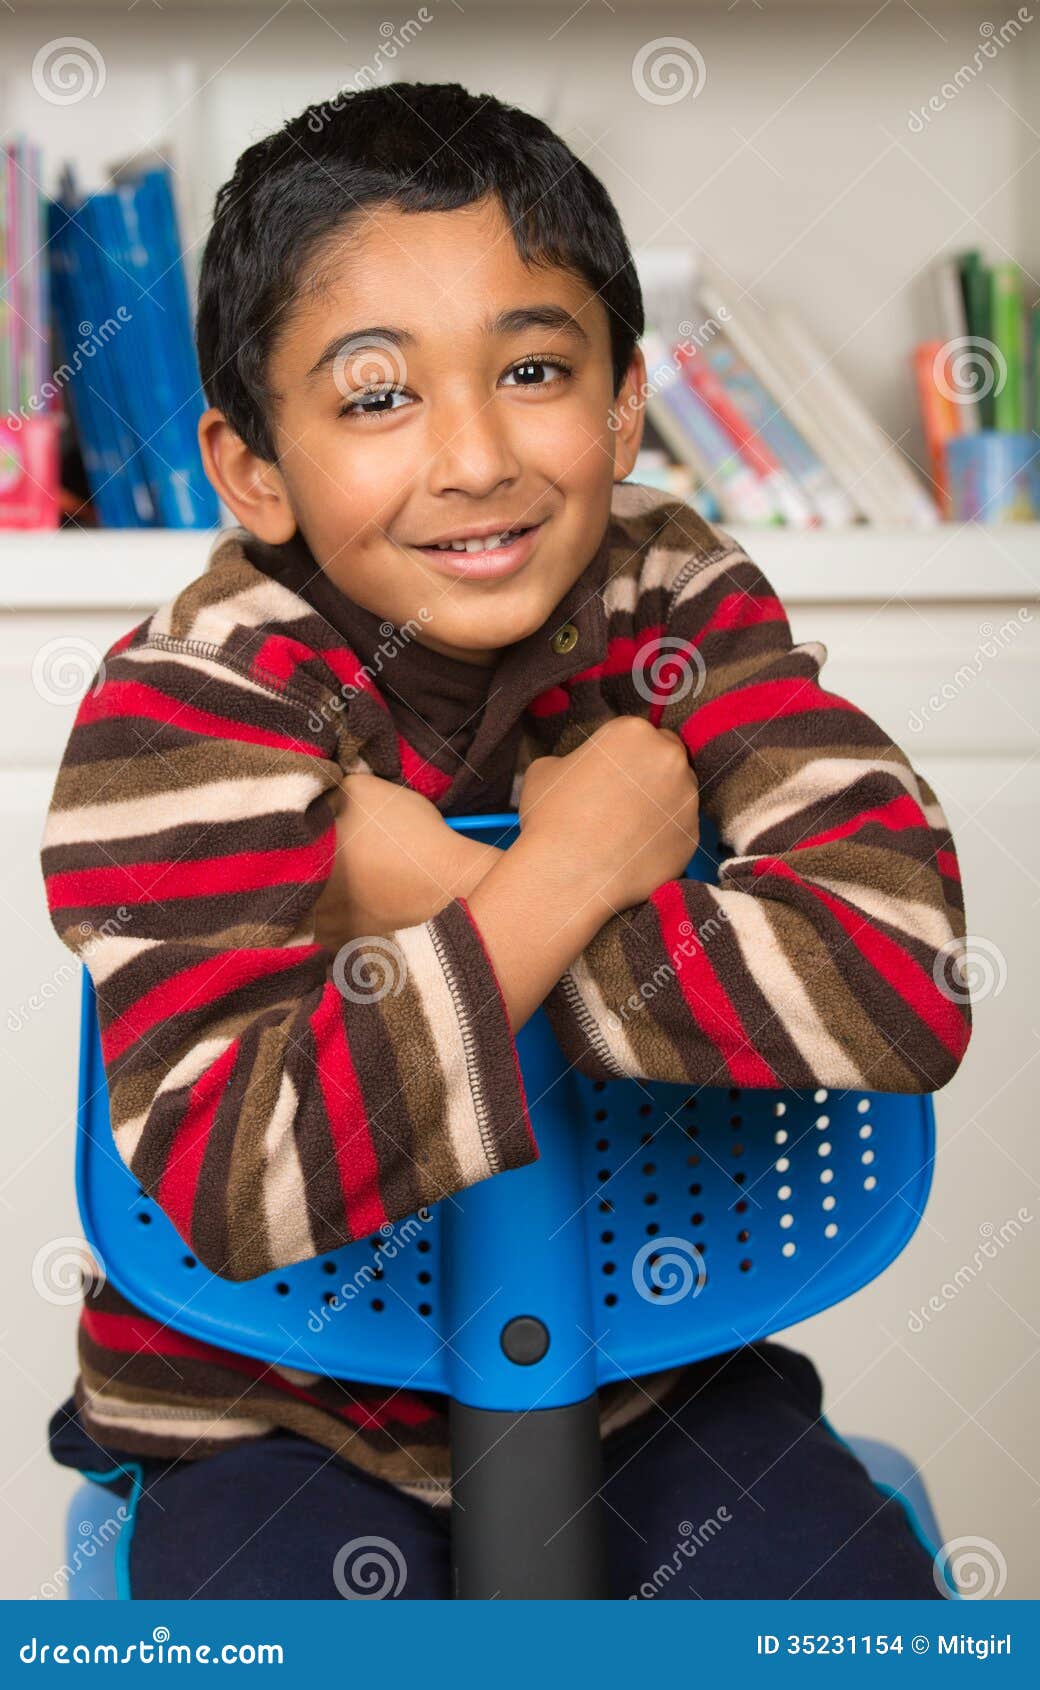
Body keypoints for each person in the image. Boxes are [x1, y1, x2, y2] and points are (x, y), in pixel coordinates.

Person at [41, 80, 971, 1600]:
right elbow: (232, 1178)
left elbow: (902, 976)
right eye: (376, 396)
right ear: (254, 466)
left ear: (624, 404)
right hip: (275, 1408)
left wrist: (440, 889)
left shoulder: (674, 600)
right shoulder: (188, 703)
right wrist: (561, 873)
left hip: (656, 1380)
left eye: (533, 370)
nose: (475, 457)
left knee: (847, 1623)